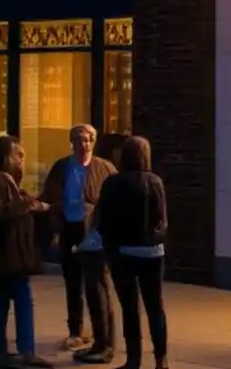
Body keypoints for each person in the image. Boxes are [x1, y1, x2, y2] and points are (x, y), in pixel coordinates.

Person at [40, 123, 118, 363]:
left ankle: (102, 332)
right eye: (79, 140)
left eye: (88, 140)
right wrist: (53, 220)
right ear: (71, 142)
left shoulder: (104, 168)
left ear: (93, 142)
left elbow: (113, 201)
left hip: (93, 232)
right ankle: (76, 330)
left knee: (98, 283)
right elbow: (49, 197)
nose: (83, 145)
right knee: (72, 279)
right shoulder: (62, 168)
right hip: (69, 228)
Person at [0, 136, 54, 368]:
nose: (22, 159)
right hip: (10, 255)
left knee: (2, 301)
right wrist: (29, 204)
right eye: (18, 155)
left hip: (4, 255)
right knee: (21, 300)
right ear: (5, 157)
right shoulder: (0, 180)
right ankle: (25, 350)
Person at [96, 136, 169, 369]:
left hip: (124, 252)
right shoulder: (155, 181)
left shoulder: (113, 183)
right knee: (155, 307)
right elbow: (162, 220)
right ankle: (161, 359)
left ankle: (133, 360)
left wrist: (110, 247)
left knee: (130, 308)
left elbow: (104, 220)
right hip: (153, 252)